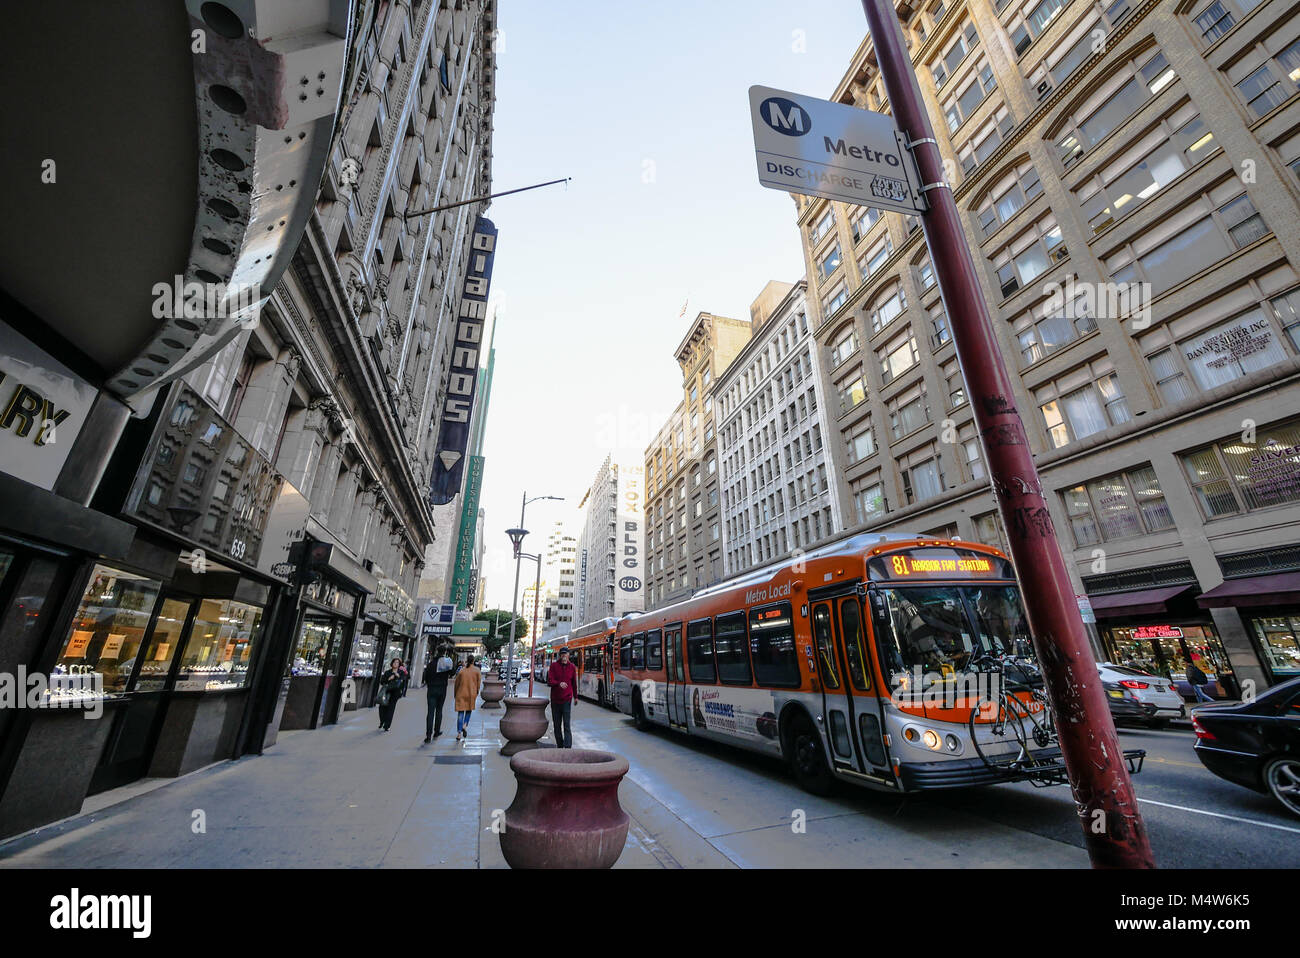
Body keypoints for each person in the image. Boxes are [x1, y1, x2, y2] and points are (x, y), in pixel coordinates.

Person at [546, 646, 578, 748]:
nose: (564, 656)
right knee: (557, 725)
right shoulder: (554, 666)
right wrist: (558, 683)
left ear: (568, 655)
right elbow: (550, 681)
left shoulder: (572, 667)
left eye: (565, 654)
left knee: (567, 725)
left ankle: (567, 747)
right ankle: (560, 745)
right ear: (560, 656)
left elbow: (574, 683)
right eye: (562, 654)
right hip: (555, 700)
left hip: (567, 699)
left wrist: (576, 697)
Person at [422, 645, 455, 742]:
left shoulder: (431, 663)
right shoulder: (446, 663)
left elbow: (426, 677)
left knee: (430, 712)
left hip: (431, 689)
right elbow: (452, 673)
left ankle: (428, 735)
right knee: (439, 710)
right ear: (444, 652)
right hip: (442, 689)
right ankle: (437, 731)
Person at [453, 655, 482, 741]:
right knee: (468, 711)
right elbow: (478, 684)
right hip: (471, 694)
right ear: (473, 661)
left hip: (461, 694)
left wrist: (455, 694)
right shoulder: (477, 671)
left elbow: (456, 684)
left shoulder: (462, 671)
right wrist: (476, 693)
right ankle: (465, 725)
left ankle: (459, 733)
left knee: (460, 713)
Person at [377, 657, 407, 731]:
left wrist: (398, 677)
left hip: (395, 693)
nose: (395, 663)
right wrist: (388, 679)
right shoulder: (387, 672)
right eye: (394, 662)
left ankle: (387, 726)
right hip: (386, 692)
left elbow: (403, 682)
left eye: (397, 662)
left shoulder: (401, 672)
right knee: (382, 707)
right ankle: (382, 721)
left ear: (399, 664)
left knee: (391, 708)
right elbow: (382, 681)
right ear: (392, 663)